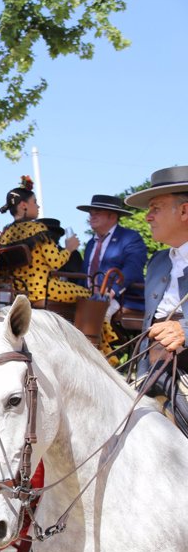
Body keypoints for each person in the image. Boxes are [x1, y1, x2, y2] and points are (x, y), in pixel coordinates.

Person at [124, 166, 188, 425]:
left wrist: (184, 330)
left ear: (184, 211)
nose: (148, 217)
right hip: (152, 369)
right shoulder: (158, 261)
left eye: (156, 208)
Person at [0, 176, 88, 303]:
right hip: (44, 290)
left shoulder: (5, 235)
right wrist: (69, 248)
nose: (38, 206)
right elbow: (55, 262)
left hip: (18, 293)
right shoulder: (38, 229)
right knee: (90, 295)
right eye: (34, 202)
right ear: (23, 205)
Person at [76, 194, 148, 311]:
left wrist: (112, 291)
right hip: (89, 299)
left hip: (122, 299)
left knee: (97, 315)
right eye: (91, 213)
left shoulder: (130, 238)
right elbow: (84, 275)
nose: (92, 217)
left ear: (113, 216)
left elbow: (133, 269)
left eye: (97, 212)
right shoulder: (90, 244)